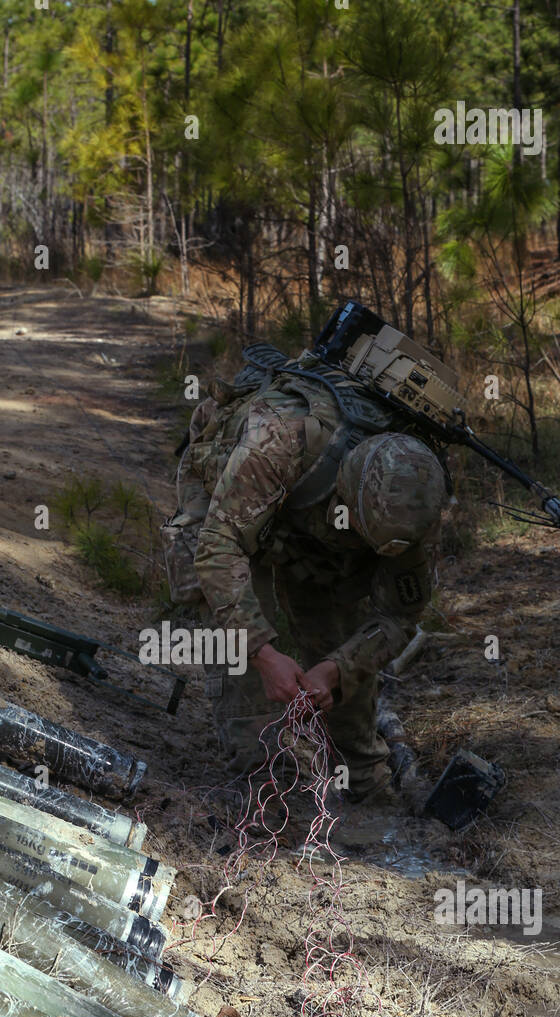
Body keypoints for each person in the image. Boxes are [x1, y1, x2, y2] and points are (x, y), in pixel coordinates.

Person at [164, 322, 453, 821]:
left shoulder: (416, 497)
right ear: (348, 497)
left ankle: (361, 778)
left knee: (336, 623)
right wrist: (264, 652)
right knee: (225, 609)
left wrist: (338, 668)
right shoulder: (279, 438)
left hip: (312, 528)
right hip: (230, 501)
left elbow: (399, 615)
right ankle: (260, 779)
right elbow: (219, 548)